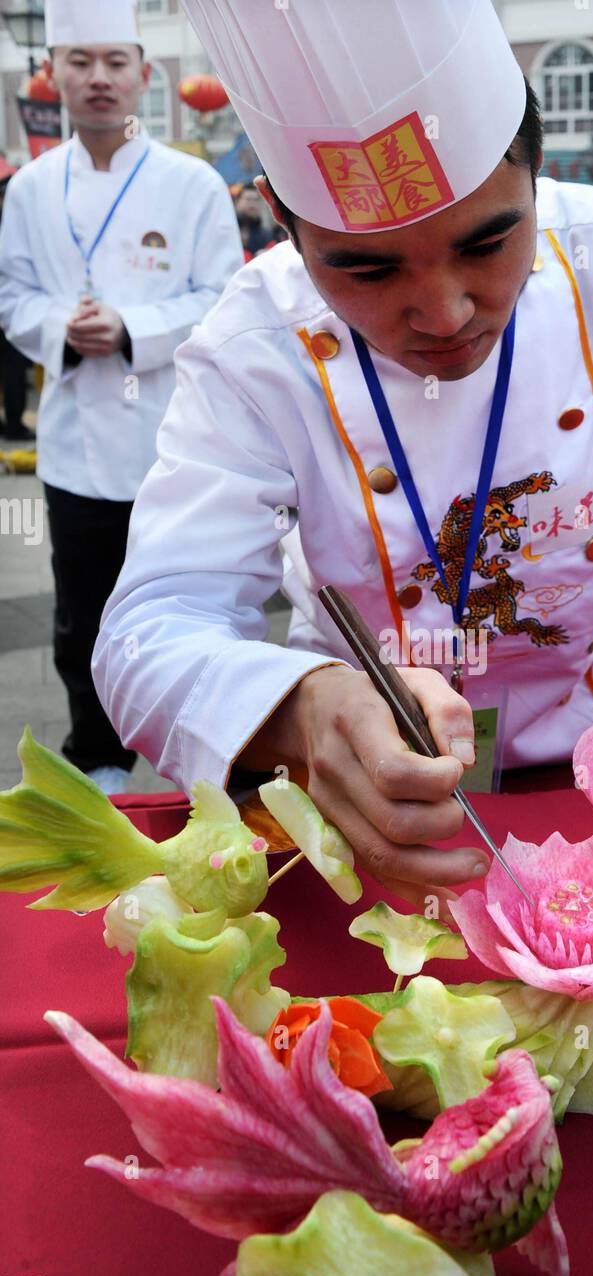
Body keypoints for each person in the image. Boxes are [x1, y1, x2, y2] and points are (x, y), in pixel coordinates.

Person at [94, 0, 593, 910]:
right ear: (284, 222)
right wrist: (299, 709)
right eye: (368, 269)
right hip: (357, 799)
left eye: (488, 243)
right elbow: (152, 622)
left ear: (537, 175)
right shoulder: (249, 344)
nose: (446, 312)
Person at [0, 0, 243, 795]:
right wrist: (60, 326)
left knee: (202, 604)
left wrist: (135, 326)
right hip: (76, 444)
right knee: (83, 616)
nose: (98, 78)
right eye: (80, 62)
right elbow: (13, 296)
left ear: (144, 74)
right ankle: (98, 758)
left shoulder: (193, 182)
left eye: (114, 62)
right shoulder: (31, 187)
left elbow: (225, 297)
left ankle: (217, 756)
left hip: (180, 443)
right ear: (55, 74)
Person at [0, 161, 34, 440]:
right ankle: (13, 424)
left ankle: (12, 422)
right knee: (12, 369)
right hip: (9, 309)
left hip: (10, 306)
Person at [234, 182, 270, 255]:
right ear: (238, 202)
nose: (252, 204)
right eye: (248, 199)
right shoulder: (231, 231)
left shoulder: (267, 235)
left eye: (256, 200)